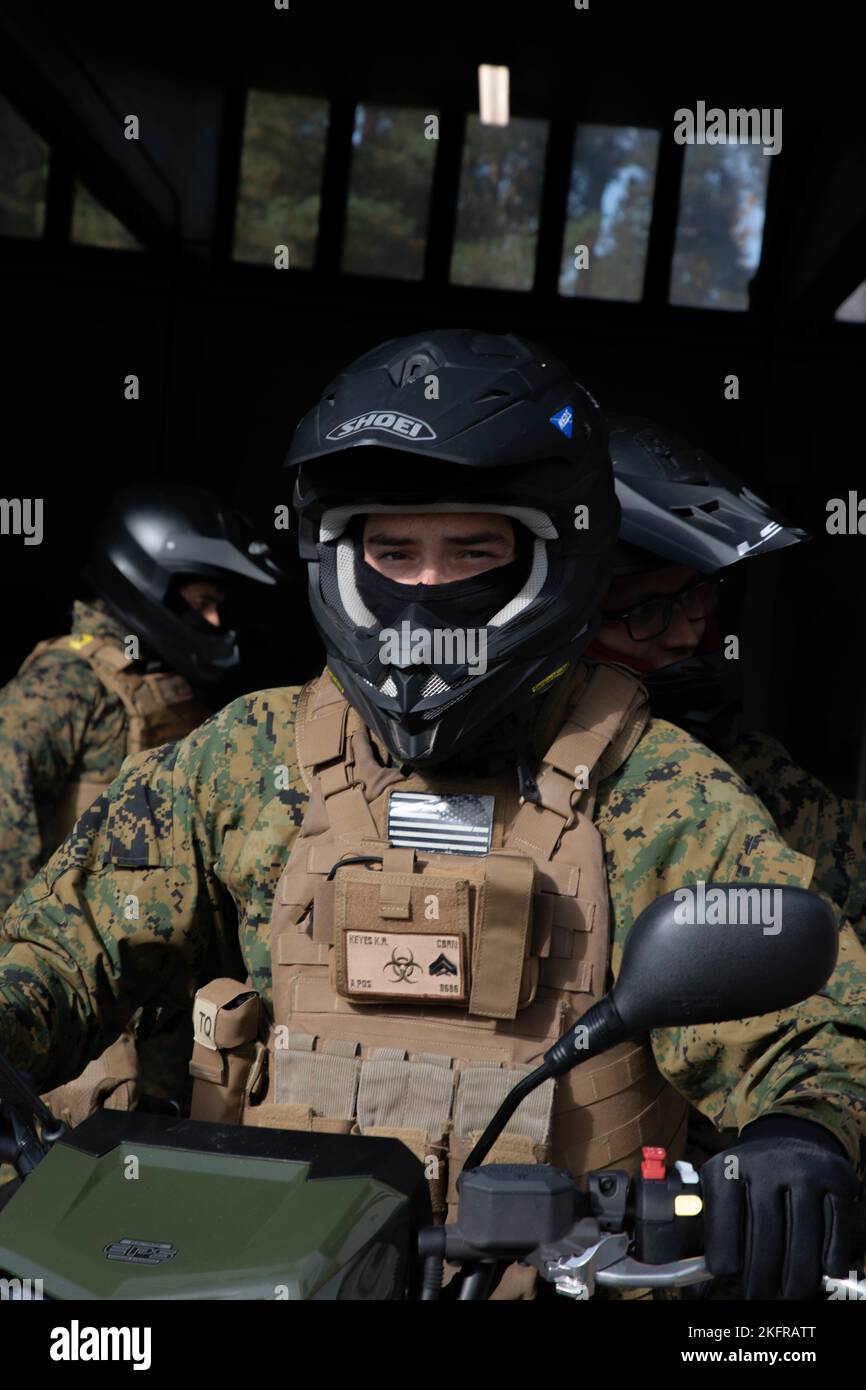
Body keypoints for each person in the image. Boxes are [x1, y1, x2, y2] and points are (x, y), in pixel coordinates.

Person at [0, 330, 863, 1302]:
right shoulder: (247, 759)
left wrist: (802, 1134)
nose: (421, 594)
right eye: (391, 549)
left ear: (556, 557)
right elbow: (59, 946)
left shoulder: (652, 786)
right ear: (339, 555)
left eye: (471, 551)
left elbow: (812, 1022)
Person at [0, 483, 288, 1121]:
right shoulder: (59, 690)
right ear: (149, 579)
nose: (215, 622)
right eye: (203, 601)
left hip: (165, 1021)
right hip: (77, 1013)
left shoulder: (175, 691)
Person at [592, 415, 866, 939]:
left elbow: (842, 850)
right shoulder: (528, 792)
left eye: (699, 593)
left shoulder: (741, 764)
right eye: (648, 612)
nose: (687, 633)